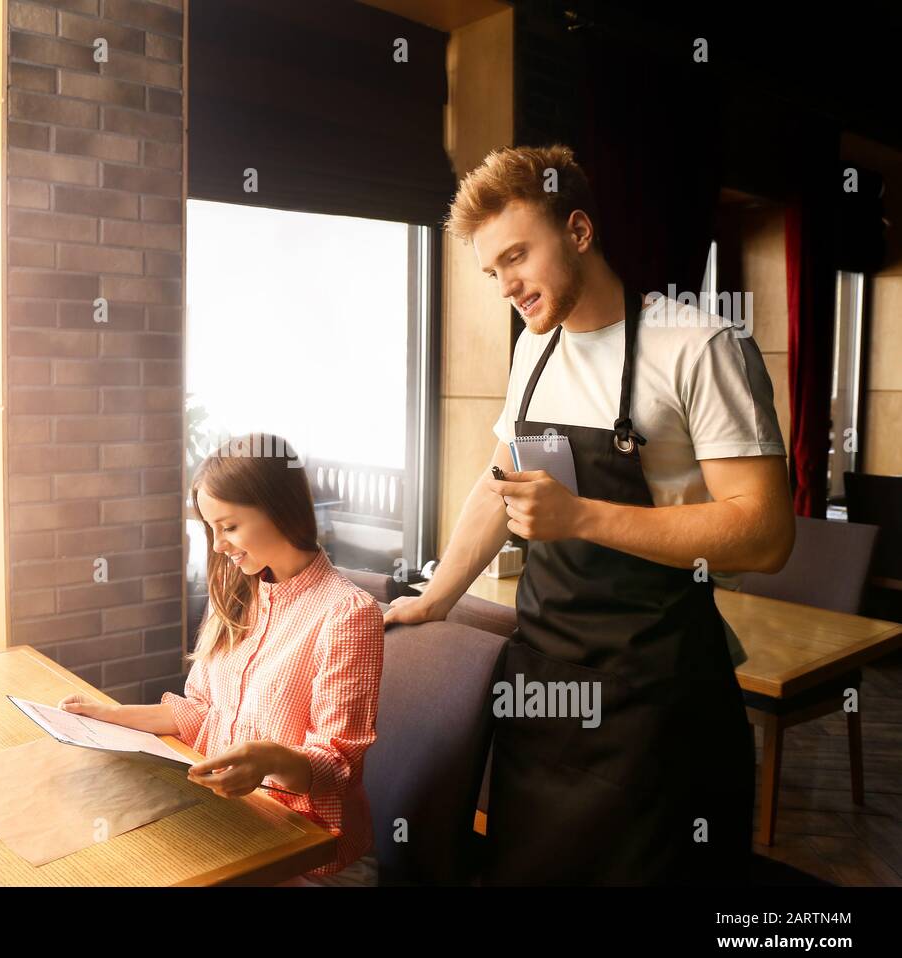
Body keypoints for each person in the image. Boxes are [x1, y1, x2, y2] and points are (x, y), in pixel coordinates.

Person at [385, 145, 794, 884]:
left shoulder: (697, 343)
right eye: (492, 271)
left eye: (517, 256)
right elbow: (498, 481)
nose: (507, 285)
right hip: (548, 692)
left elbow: (764, 534)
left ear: (578, 231)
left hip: (658, 700)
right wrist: (437, 598)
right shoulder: (533, 350)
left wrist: (580, 518)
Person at [58, 432, 384, 885]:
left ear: (279, 509)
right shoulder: (235, 591)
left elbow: (337, 768)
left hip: (311, 859)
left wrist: (268, 759)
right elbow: (202, 712)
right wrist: (111, 716)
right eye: (211, 529)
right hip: (229, 827)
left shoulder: (348, 614)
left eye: (228, 527)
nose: (217, 545)